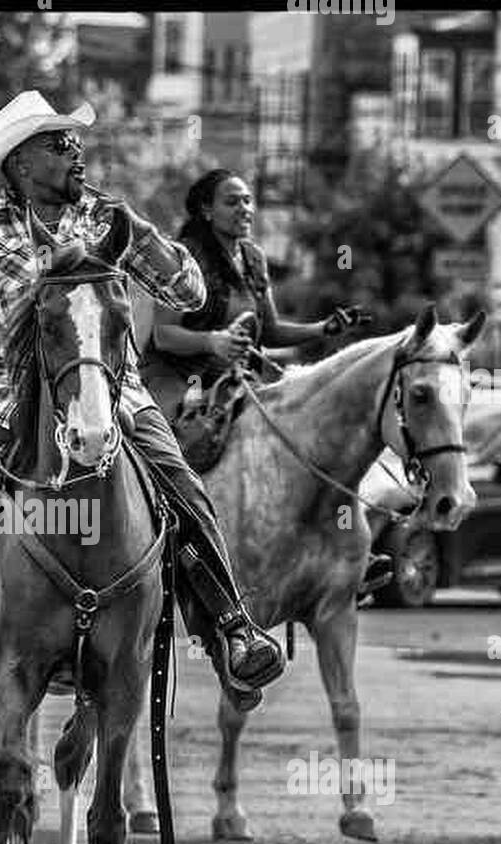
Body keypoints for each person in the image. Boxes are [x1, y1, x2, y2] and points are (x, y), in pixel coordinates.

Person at [0, 90, 288, 719]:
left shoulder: (107, 220)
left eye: (75, 142)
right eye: (59, 144)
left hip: (116, 393)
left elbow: (192, 291)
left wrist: (148, 245)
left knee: (184, 488)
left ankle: (233, 630)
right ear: (19, 163)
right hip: (6, 400)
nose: (76, 153)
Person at [139, 168, 393, 596]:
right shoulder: (182, 258)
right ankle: (168, 545)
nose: (245, 209)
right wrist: (213, 341)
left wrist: (321, 330)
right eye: (232, 201)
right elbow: (164, 335)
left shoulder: (252, 258)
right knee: (190, 444)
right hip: (180, 379)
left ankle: (341, 554)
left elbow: (269, 330)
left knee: (309, 435)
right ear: (205, 209)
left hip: (236, 380)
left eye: (248, 201)